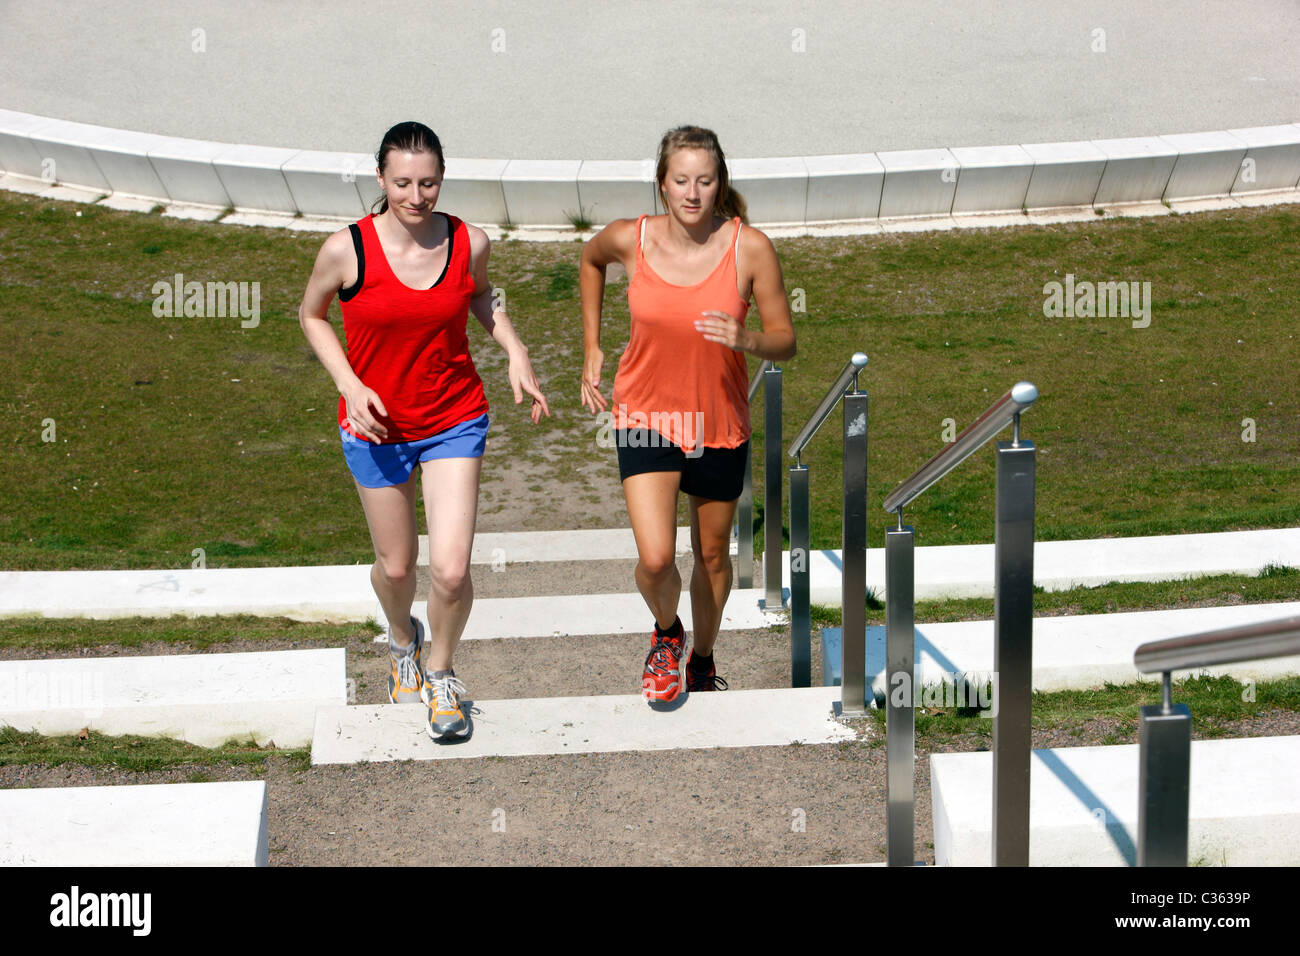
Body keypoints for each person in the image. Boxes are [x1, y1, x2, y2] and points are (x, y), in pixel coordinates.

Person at [298, 121, 549, 739]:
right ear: (381, 179)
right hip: (376, 425)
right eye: (403, 182)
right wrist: (350, 386)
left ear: (442, 180)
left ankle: (440, 674)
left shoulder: (469, 242)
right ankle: (402, 637)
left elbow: (483, 298)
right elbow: (312, 315)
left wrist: (514, 349)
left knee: (453, 570)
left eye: (429, 182)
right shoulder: (346, 249)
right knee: (398, 567)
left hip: (453, 417)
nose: (417, 195)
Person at [579, 125, 796, 704]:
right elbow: (590, 259)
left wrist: (747, 339)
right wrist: (593, 345)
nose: (693, 193)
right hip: (646, 416)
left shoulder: (750, 248)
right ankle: (667, 634)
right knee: (655, 560)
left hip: (718, 424)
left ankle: (701, 657)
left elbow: (786, 340)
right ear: (662, 184)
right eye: (681, 181)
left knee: (711, 556)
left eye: (705, 180)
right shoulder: (631, 238)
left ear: (720, 182)